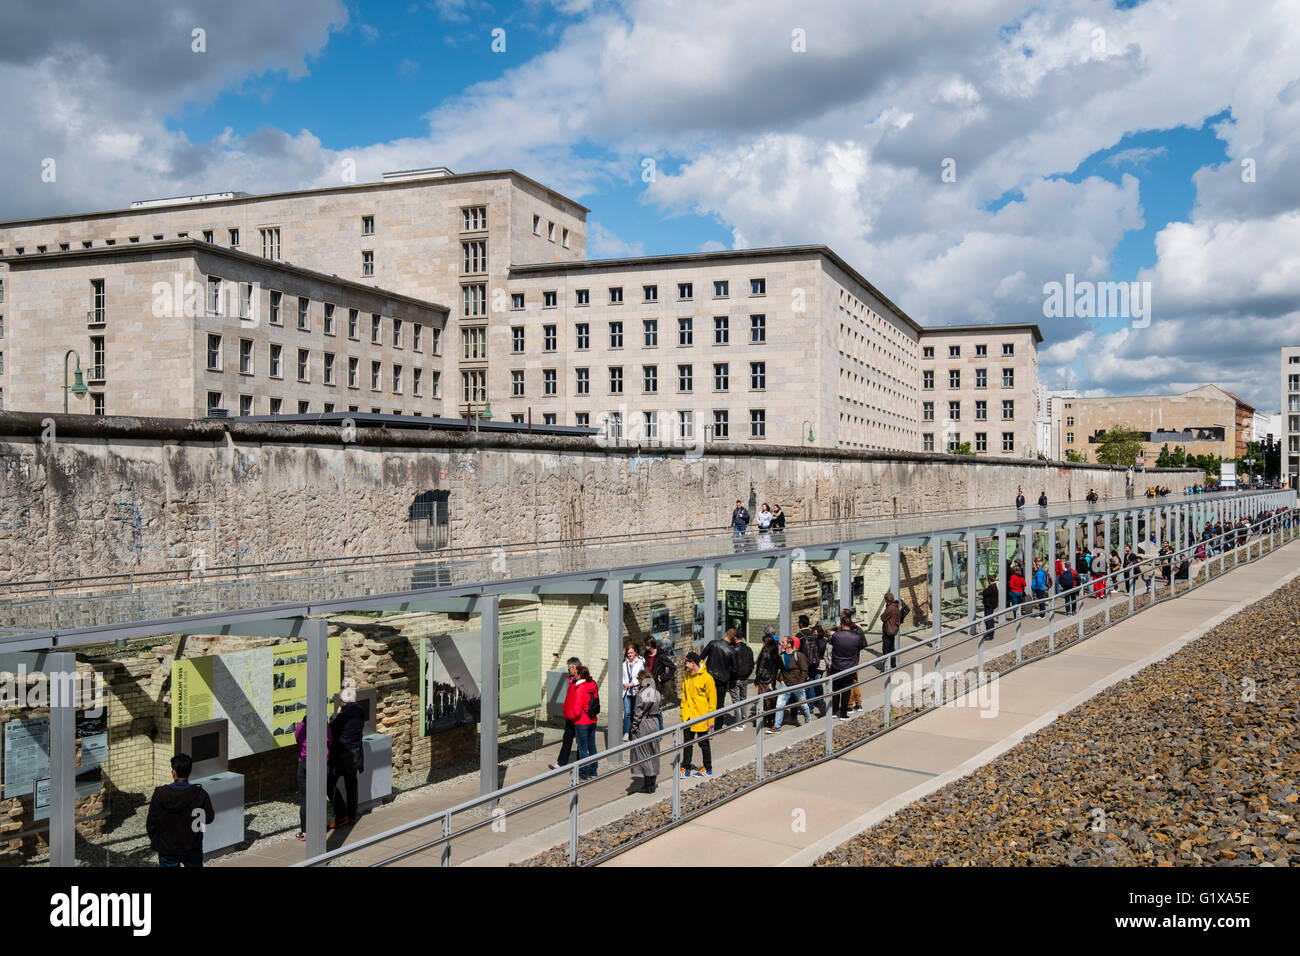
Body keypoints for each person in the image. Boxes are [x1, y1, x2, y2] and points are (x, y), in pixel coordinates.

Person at [146, 753, 215, 867]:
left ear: (174, 772)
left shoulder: (160, 794)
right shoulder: (200, 794)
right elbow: (209, 818)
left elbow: (151, 822)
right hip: (192, 847)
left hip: (166, 848)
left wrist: (156, 839)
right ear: (189, 772)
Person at [328, 684, 367, 828]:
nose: (338, 702)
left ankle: (341, 815)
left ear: (344, 702)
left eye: (339, 700)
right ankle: (351, 816)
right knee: (351, 785)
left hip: (341, 755)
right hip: (355, 754)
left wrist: (337, 715)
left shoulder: (343, 716)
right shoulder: (360, 711)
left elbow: (331, 729)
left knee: (329, 784)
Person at [294, 712, 332, 841]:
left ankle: (306, 831)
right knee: (320, 796)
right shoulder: (325, 726)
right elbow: (330, 741)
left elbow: (298, 741)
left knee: (306, 798)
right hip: (322, 763)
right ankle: (319, 827)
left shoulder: (300, 727)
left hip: (305, 765)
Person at [679, 653, 716, 777]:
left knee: (703, 743)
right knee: (687, 743)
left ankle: (707, 767)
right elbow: (684, 696)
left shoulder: (707, 678)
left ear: (692, 662)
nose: (685, 664)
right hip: (688, 716)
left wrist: (711, 719)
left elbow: (712, 701)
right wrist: (683, 711)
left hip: (701, 717)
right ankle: (686, 767)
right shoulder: (687, 676)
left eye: (686, 662)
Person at [828, 612, 867, 720]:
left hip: (837, 666)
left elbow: (831, 643)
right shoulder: (856, 637)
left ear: (842, 624)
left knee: (835, 689)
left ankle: (834, 711)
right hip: (850, 666)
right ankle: (844, 713)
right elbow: (860, 645)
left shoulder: (836, 636)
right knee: (846, 690)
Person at [628, 669, 661, 793]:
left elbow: (638, 713)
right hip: (655, 723)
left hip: (644, 724)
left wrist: (633, 728)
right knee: (654, 753)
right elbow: (660, 709)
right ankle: (653, 783)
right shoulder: (656, 693)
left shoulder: (641, 694)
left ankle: (648, 785)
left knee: (644, 754)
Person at [564, 665, 600, 780]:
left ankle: (583, 774)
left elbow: (576, 710)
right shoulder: (592, 685)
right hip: (592, 720)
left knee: (583, 749)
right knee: (592, 747)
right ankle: (593, 772)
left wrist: (570, 717)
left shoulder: (580, 689)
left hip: (581, 722)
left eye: (576, 673)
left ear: (579, 675)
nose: (574, 675)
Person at [769, 635, 811, 732]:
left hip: (797, 684)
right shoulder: (782, 655)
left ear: (789, 644)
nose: (781, 644)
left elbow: (804, 671)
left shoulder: (799, 655)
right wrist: (781, 679)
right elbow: (781, 670)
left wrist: (799, 683)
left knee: (803, 705)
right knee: (779, 705)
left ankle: (808, 722)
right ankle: (777, 726)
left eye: (783, 642)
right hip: (785, 684)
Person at [550, 657, 583, 769]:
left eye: (569, 668)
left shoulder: (583, 680)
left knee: (580, 741)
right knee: (567, 739)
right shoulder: (570, 679)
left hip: (579, 717)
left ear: (574, 668)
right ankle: (561, 762)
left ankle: (580, 764)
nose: (569, 670)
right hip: (570, 716)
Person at [701, 627, 737, 726]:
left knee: (707, 701)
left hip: (709, 677)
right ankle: (718, 725)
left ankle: (705, 723)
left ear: (725, 634)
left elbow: (701, 657)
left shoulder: (713, 644)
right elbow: (734, 669)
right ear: (734, 638)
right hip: (722, 680)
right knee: (719, 703)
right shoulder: (731, 651)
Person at [642, 639, 674, 730]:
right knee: (648, 706)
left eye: (646, 645)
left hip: (657, 685)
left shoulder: (661, 656)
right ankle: (650, 728)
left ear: (651, 645)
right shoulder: (646, 654)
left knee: (657, 708)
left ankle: (660, 729)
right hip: (648, 684)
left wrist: (664, 677)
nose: (645, 647)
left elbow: (672, 667)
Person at [753, 634, 781, 729]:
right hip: (771, 679)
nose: (762, 643)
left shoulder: (764, 653)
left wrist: (756, 680)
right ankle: (771, 718)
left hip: (764, 680)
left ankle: (766, 719)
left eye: (763, 642)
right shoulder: (775, 652)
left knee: (764, 700)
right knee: (770, 699)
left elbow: (760, 668)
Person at [729, 630, 755, 731]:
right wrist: (747, 674)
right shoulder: (748, 649)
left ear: (735, 638)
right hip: (745, 678)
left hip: (735, 678)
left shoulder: (733, 650)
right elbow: (752, 665)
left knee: (736, 700)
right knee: (743, 699)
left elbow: (730, 665)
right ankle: (744, 721)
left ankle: (738, 724)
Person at [621, 643, 645, 741]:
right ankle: (626, 732)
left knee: (636, 712)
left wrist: (633, 683)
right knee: (627, 712)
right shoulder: (624, 664)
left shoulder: (640, 662)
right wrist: (625, 683)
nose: (630, 654)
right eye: (628, 653)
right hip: (626, 691)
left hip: (636, 690)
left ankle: (635, 731)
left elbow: (641, 676)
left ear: (635, 653)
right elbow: (621, 676)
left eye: (631, 653)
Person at [879, 591, 901, 672]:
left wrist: (883, 614)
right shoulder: (895, 606)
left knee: (886, 649)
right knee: (891, 648)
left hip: (888, 630)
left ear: (886, 600)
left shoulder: (890, 608)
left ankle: (886, 666)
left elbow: (883, 617)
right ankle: (893, 664)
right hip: (893, 630)